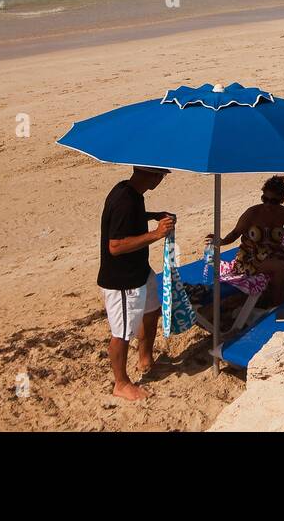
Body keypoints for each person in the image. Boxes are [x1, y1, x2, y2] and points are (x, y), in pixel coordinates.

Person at [98, 167, 174, 401]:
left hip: (140, 271)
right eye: (160, 175)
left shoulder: (130, 192)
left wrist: (153, 215)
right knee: (121, 333)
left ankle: (145, 359)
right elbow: (116, 246)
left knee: (151, 310)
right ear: (152, 176)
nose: (161, 180)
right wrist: (156, 234)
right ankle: (121, 383)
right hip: (122, 280)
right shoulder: (125, 200)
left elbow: (129, 219)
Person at [205, 176, 284, 304]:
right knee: (280, 267)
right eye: (265, 199)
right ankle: (277, 303)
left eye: (273, 201)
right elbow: (235, 234)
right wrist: (221, 241)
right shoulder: (252, 213)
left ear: (282, 200)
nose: (267, 204)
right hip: (251, 257)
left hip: (275, 251)